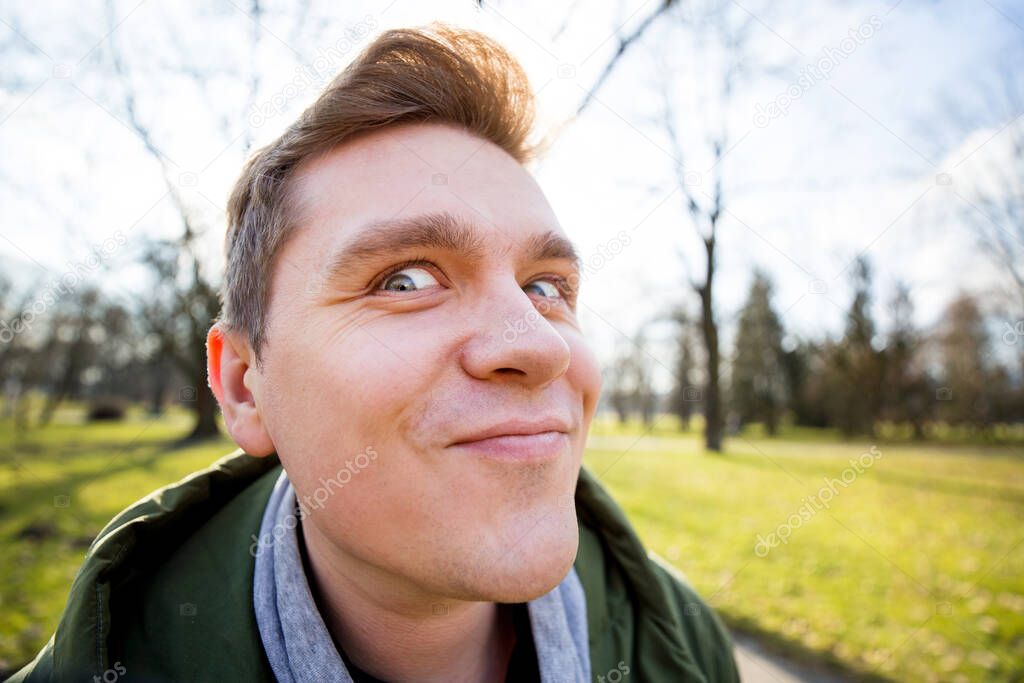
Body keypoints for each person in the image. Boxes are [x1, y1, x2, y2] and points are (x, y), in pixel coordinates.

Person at [9, 23, 740, 683]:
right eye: (405, 279)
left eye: (546, 286)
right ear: (242, 386)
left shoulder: (683, 645)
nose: (539, 344)